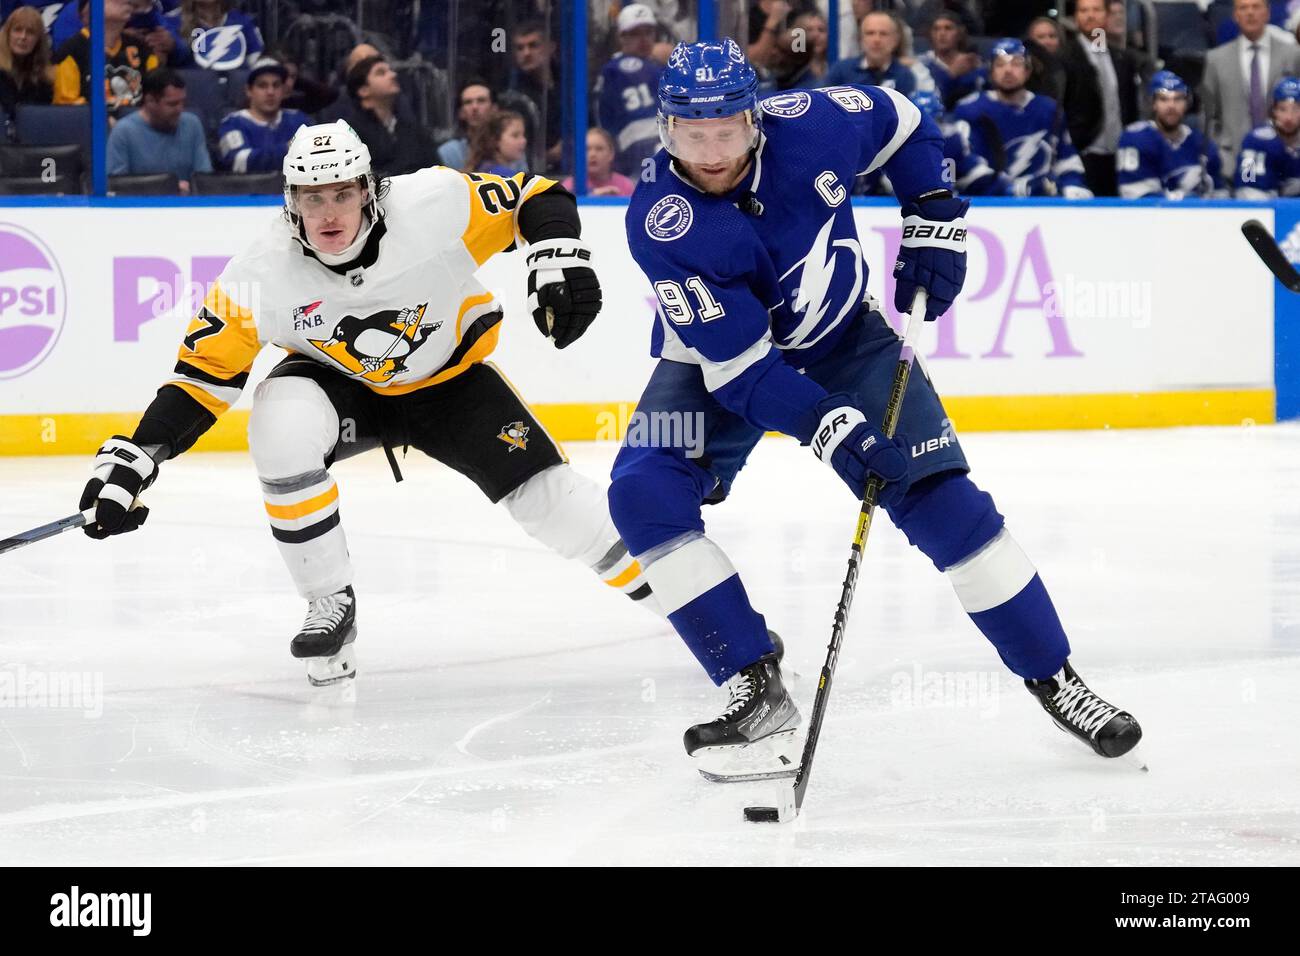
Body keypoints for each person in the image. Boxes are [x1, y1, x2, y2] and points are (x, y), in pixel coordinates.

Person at [612, 38, 1140, 770]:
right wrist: (832, 428)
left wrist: (932, 210)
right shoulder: (662, 221)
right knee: (643, 496)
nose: (709, 151)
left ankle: (1058, 679)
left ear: (755, 117)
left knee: (948, 509)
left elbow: (903, 121)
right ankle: (751, 681)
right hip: (721, 365)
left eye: (726, 130)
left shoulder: (814, 123)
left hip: (846, 340)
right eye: (691, 133)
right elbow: (743, 375)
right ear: (667, 127)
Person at [78, 119, 654, 687]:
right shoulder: (260, 273)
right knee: (279, 423)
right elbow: (201, 379)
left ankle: (680, 592)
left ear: (370, 191)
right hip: (338, 387)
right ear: (291, 202)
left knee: (556, 505)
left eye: (341, 194)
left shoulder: (432, 204)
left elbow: (537, 195)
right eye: (311, 197)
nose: (328, 214)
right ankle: (329, 600)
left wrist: (557, 253)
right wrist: (136, 456)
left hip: (449, 382)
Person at [954, 38, 1092, 198]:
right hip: (989, 205)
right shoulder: (971, 109)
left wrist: (1072, 183)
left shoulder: (1048, 109)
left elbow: (1066, 157)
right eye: (1000, 64)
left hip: (1041, 204)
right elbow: (966, 165)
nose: (1008, 70)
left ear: (1028, 71)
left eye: (1016, 64)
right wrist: (1012, 189)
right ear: (991, 71)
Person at [1056, 0, 1143, 196]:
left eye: (1096, 10)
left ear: (1107, 15)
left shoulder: (1123, 58)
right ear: (1075, 17)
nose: (1090, 15)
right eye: (1084, 10)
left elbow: (1130, 106)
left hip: (1119, 154)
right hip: (1084, 151)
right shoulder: (1064, 57)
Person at [1202, 0, 1300, 173]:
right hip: (1233, 161)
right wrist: (1218, 152)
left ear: (1267, 13)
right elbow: (1208, 116)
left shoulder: (1293, 55)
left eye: (1256, 7)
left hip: (1286, 162)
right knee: (1247, 193)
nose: (1250, 13)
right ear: (1235, 15)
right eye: (1243, 8)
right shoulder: (1216, 59)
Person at [1116, 71, 1225, 200]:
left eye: (1178, 99)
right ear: (1153, 103)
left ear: (1187, 103)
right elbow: (1138, 198)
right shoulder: (1135, 139)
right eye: (1163, 99)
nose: (1171, 106)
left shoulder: (1202, 143)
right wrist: (1185, 194)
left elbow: (1220, 196)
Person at [106, 67, 210, 191]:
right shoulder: (123, 132)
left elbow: (204, 180)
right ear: (150, 101)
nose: (180, 109)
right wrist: (169, 188)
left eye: (182, 102)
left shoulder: (193, 124)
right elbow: (116, 186)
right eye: (172, 104)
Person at [53, 0, 159, 117]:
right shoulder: (71, 51)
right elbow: (67, 105)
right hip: (89, 130)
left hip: (138, 129)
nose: (127, 1)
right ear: (88, 9)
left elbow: (160, 95)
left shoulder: (142, 49)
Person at [595, 3, 665, 177]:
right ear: (621, 37)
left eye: (648, 32)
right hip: (634, 153)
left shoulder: (655, 65)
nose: (643, 39)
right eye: (635, 33)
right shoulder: (618, 68)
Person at [345, 55, 438, 178]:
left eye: (391, 71)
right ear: (363, 90)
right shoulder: (350, 134)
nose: (393, 75)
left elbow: (437, 170)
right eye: (381, 73)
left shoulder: (414, 130)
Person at [217, 59, 309, 173]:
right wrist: (289, 150)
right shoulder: (232, 123)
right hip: (249, 189)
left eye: (276, 85)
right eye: (262, 85)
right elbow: (238, 161)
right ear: (249, 91)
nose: (270, 92)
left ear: (283, 90)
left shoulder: (299, 120)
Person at [822, 10, 934, 97]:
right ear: (860, 38)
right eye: (870, 33)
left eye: (883, 34)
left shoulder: (904, 75)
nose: (876, 40)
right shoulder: (841, 70)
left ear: (895, 40)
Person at [1235, 76, 1300, 197]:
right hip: (1264, 209)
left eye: (1296, 110)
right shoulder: (1256, 141)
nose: (1289, 117)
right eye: (1282, 109)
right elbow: (1247, 187)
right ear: (1273, 111)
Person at [164, 0, 263, 71]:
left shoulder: (242, 21)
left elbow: (257, 63)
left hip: (235, 91)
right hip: (191, 93)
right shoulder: (171, 22)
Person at [0, 4, 54, 124]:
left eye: (30, 32)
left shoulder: (44, 78)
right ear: (7, 34)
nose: (23, 37)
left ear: (38, 40)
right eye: (17, 30)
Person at [917, 11, 982, 109]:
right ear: (930, 34)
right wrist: (952, 74)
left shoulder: (972, 63)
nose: (942, 34)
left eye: (948, 28)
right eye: (936, 29)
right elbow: (930, 100)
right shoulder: (921, 64)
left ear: (960, 33)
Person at [437, 78, 495, 172]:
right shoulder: (449, 152)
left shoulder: (511, 145)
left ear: (494, 108)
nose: (474, 107)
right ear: (461, 112)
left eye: (481, 101)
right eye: (468, 102)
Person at [562, 127, 634, 196]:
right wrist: (593, 196)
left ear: (611, 154)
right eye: (587, 149)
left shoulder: (626, 185)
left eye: (599, 149)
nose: (593, 154)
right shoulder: (568, 186)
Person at [467, 110, 528, 177]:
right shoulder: (503, 176)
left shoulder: (482, 168)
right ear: (495, 140)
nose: (523, 140)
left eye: (523, 135)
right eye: (515, 135)